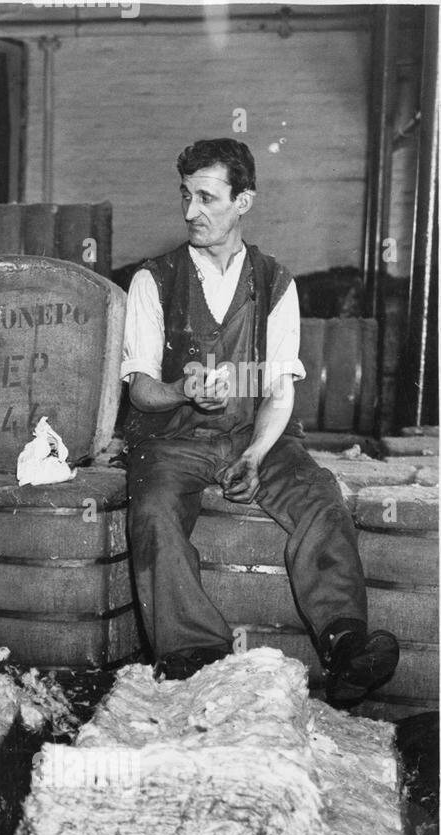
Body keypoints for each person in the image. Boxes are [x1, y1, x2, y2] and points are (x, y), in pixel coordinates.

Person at [121, 137, 399, 703]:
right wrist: (178, 388)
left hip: (256, 435)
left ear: (244, 201)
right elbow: (140, 386)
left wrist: (253, 456)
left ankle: (345, 645)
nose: (189, 211)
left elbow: (277, 390)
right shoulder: (153, 280)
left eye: (206, 197)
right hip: (174, 439)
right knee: (152, 513)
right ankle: (195, 655)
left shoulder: (275, 282)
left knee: (321, 496)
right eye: (185, 196)